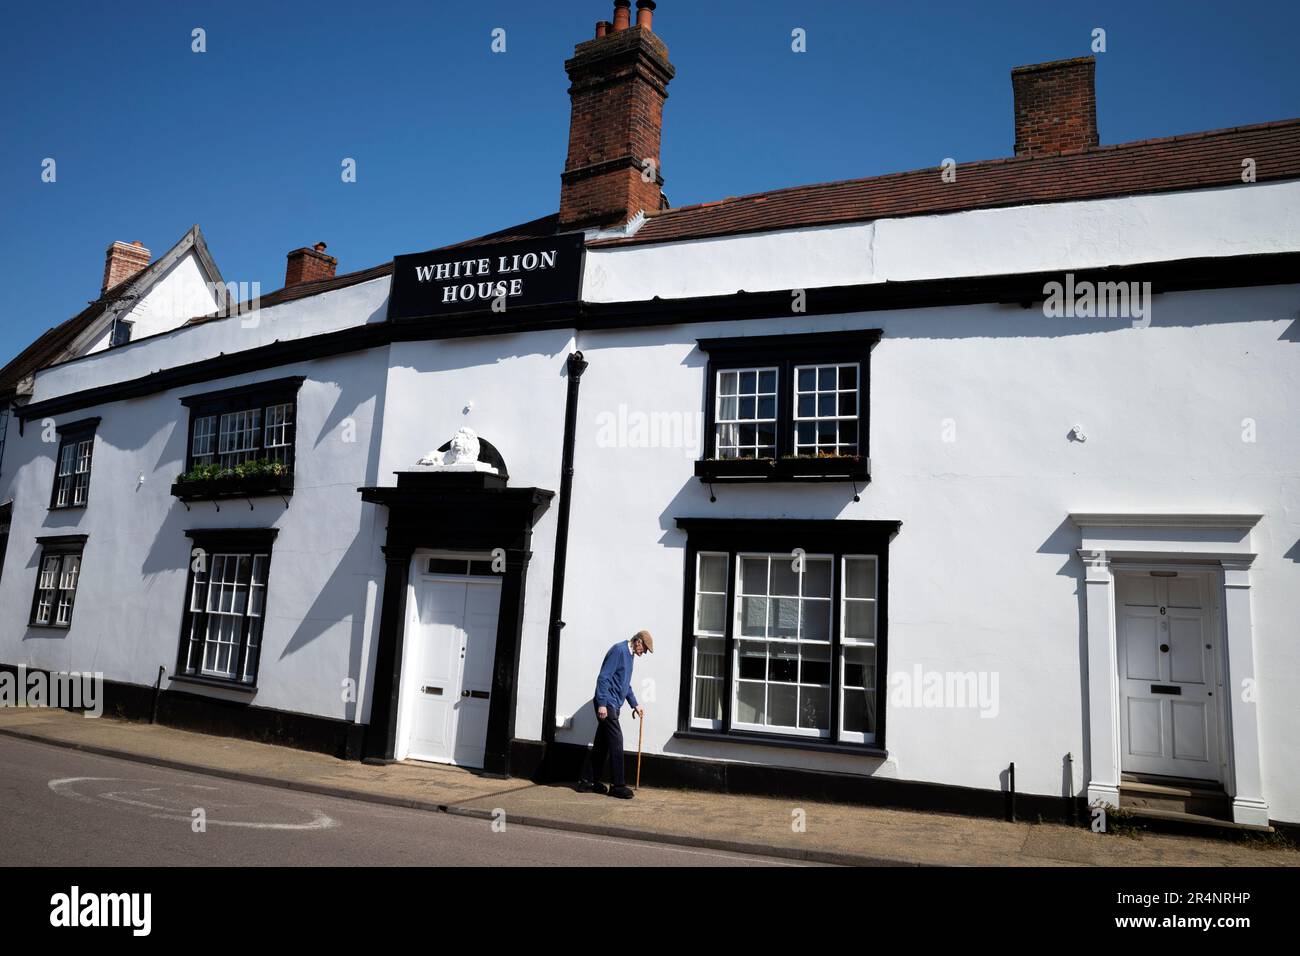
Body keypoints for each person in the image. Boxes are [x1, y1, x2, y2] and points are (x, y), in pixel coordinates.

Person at [576, 630, 652, 798]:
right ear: (638, 642)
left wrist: (635, 704)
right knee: (617, 742)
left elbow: (625, 684)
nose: (644, 652)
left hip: (613, 704)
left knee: (602, 744)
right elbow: (603, 677)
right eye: (644, 649)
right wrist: (602, 704)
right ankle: (618, 785)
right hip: (607, 704)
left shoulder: (630, 656)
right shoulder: (619, 650)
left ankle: (587, 781)